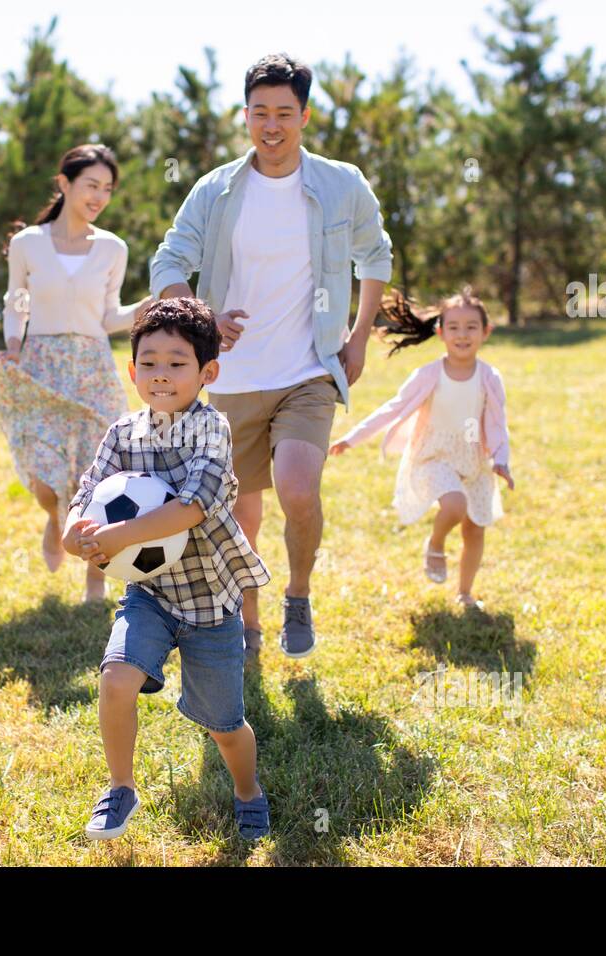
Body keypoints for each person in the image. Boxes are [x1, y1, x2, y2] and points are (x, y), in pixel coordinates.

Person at [149, 53, 393, 660]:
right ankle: (248, 625)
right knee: (240, 518)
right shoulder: (216, 189)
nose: (272, 125)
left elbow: (377, 258)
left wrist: (358, 337)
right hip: (229, 379)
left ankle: (299, 594)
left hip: (308, 370)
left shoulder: (341, 184)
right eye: (261, 113)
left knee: (298, 488)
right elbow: (168, 263)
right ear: (246, 116)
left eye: (285, 112)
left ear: (305, 115)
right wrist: (202, 320)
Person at [62, 297, 273, 841]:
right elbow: (89, 494)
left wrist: (117, 535)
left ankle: (248, 791)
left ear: (208, 373)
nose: (161, 375)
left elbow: (192, 506)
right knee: (115, 678)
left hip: (209, 599)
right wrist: (75, 532)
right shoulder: (121, 434)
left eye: (177, 363)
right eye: (149, 362)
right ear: (132, 370)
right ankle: (120, 787)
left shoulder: (212, 429)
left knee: (223, 726)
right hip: (149, 593)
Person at [0, 144, 152, 603]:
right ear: (64, 184)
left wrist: (141, 309)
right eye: (90, 186)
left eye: (107, 189)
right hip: (40, 363)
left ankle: (95, 578)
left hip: (93, 367)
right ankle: (55, 516)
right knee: (46, 479)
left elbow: (106, 317)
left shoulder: (112, 248)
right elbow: (16, 302)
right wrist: (15, 347)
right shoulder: (28, 244)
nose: (99, 196)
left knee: (97, 475)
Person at [329, 288, 515, 609]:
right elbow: (393, 408)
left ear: (486, 331)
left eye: (471, 327)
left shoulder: (489, 377)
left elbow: (498, 422)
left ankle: (465, 593)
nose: (463, 334)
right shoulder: (429, 374)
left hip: (475, 461)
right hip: (434, 456)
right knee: (454, 505)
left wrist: (501, 460)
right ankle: (436, 543)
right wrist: (353, 437)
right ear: (440, 332)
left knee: (475, 529)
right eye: (454, 327)